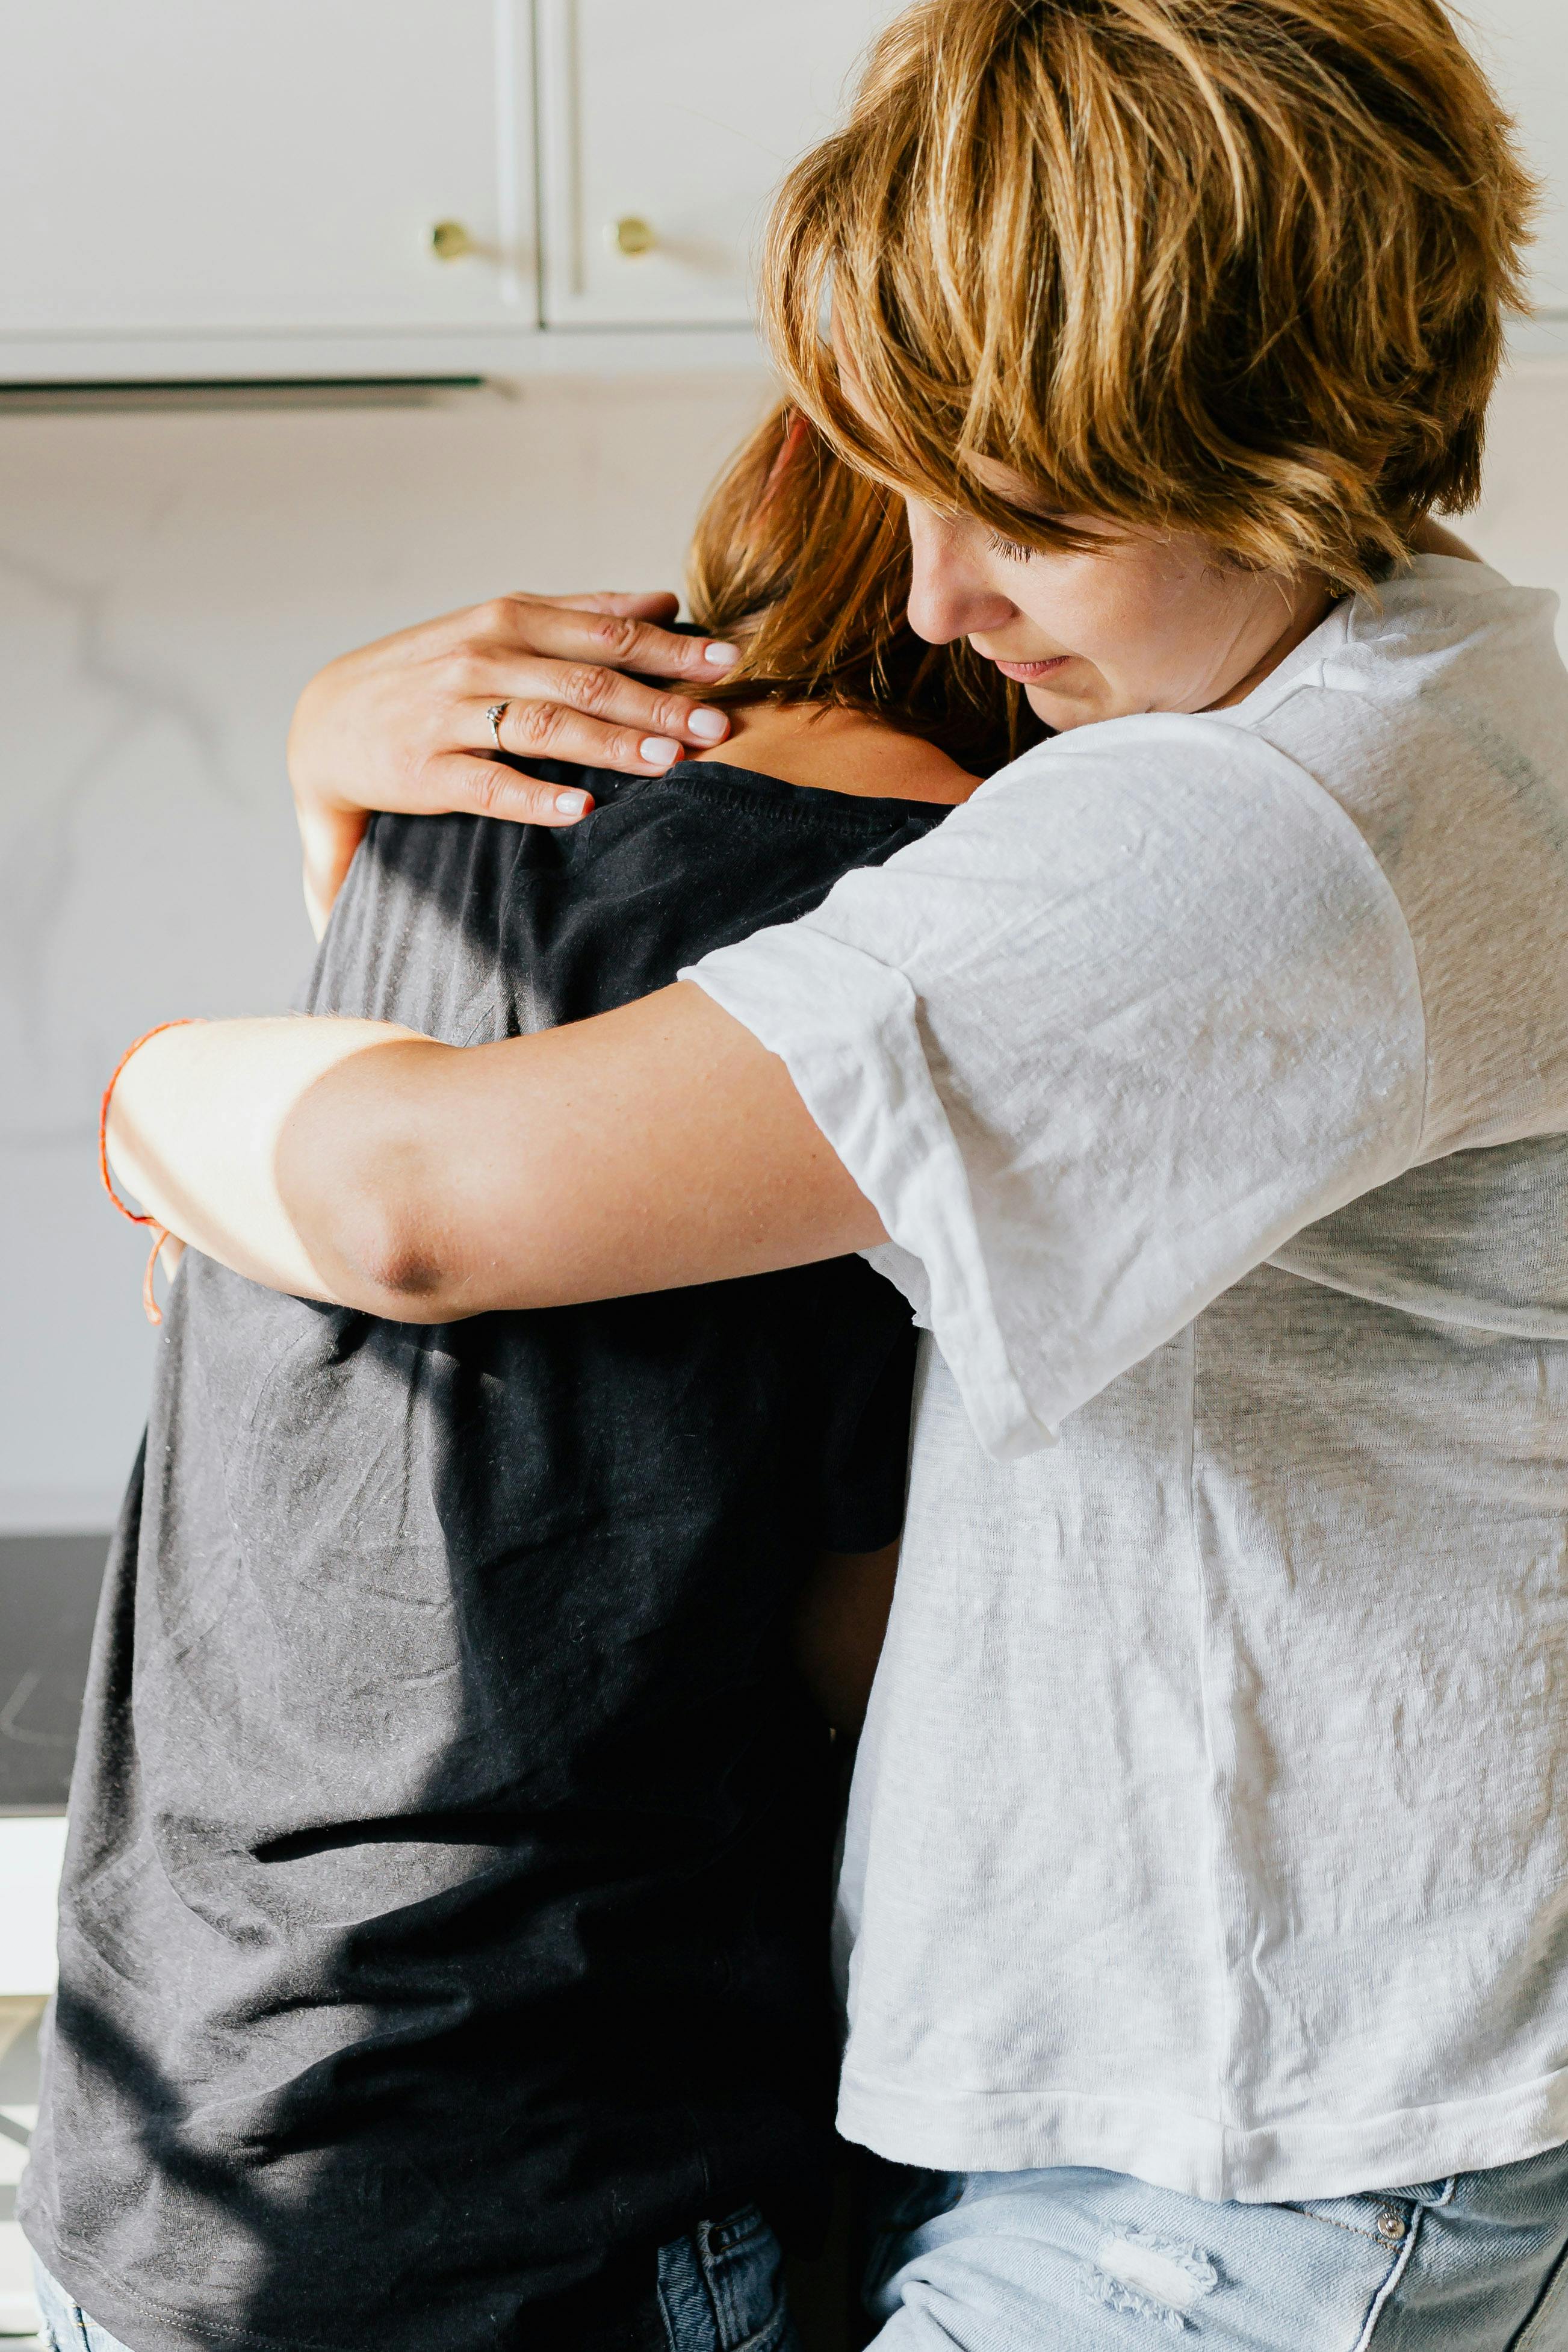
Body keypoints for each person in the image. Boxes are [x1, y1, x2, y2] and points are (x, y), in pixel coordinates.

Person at [87, 0, 1568, 2342]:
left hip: (1219, 2175)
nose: (942, 598)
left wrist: (138, 1092)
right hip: (1191, 2114)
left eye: (1036, 509)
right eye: (912, 484)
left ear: (1280, 435)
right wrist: (321, 786)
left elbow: (412, 1200)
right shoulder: (1435, 707)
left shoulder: (1236, 841)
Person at [22, 409, 1032, 2352]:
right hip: (548, 2187)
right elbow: (872, 1647)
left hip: (166, 2158)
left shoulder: (457, 788)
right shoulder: (934, 918)